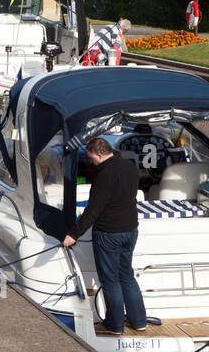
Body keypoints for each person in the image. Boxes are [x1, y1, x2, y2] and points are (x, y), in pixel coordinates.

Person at [63, 137, 147, 335]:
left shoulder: (104, 175)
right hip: (130, 230)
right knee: (127, 276)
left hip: (109, 233)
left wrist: (73, 235)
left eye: (92, 158)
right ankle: (139, 320)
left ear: (100, 154)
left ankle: (115, 324)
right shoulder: (129, 166)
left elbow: (93, 211)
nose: (91, 162)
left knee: (110, 280)